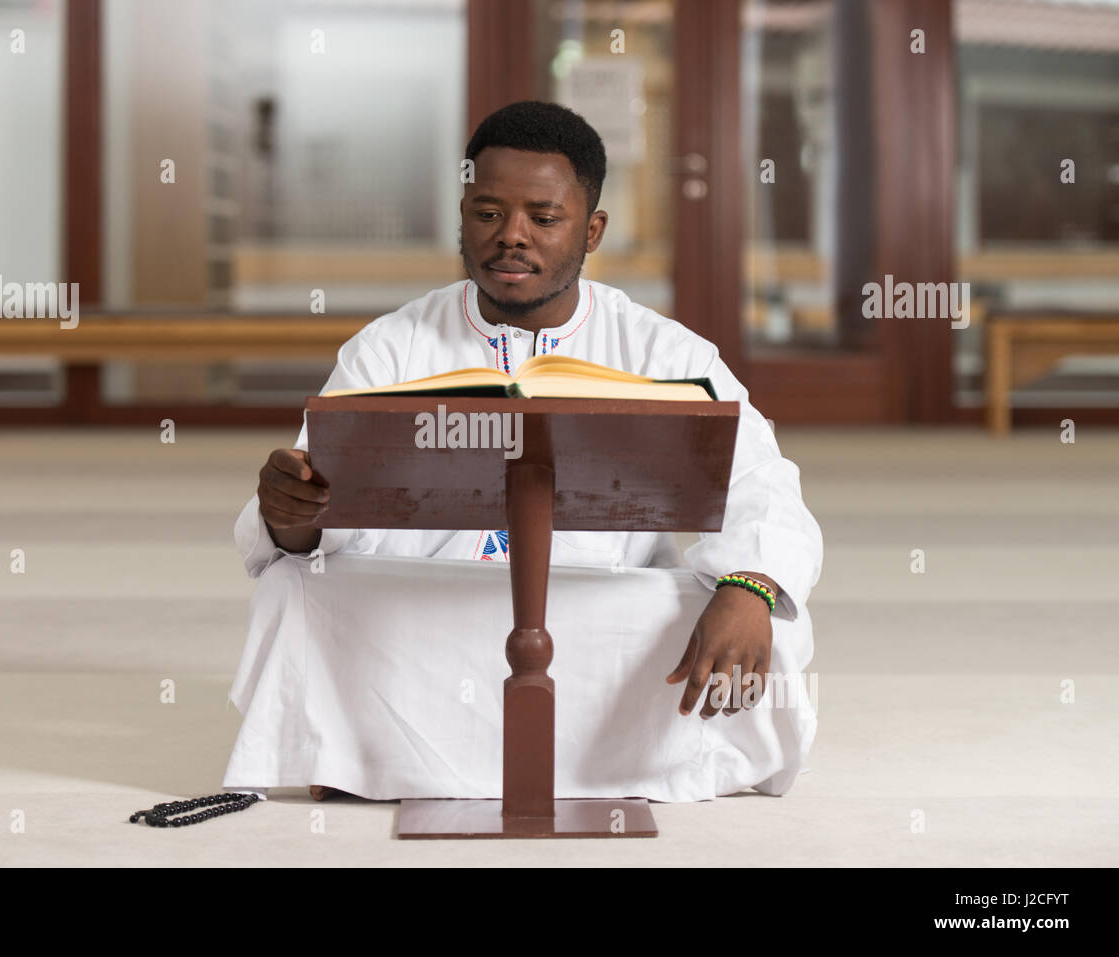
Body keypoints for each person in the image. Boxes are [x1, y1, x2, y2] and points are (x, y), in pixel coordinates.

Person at [224, 101, 823, 803]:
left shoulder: (667, 352)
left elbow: (762, 481)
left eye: (543, 217)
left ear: (591, 229)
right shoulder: (392, 346)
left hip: (594, 608)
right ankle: (362, 753)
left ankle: (389, 756)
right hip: (431, 610)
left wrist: (748, 586)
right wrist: (290, 513)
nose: (511, 237)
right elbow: (308, 520)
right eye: (487, 213)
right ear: (462, 214)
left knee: (763, 617)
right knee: (292, 591)